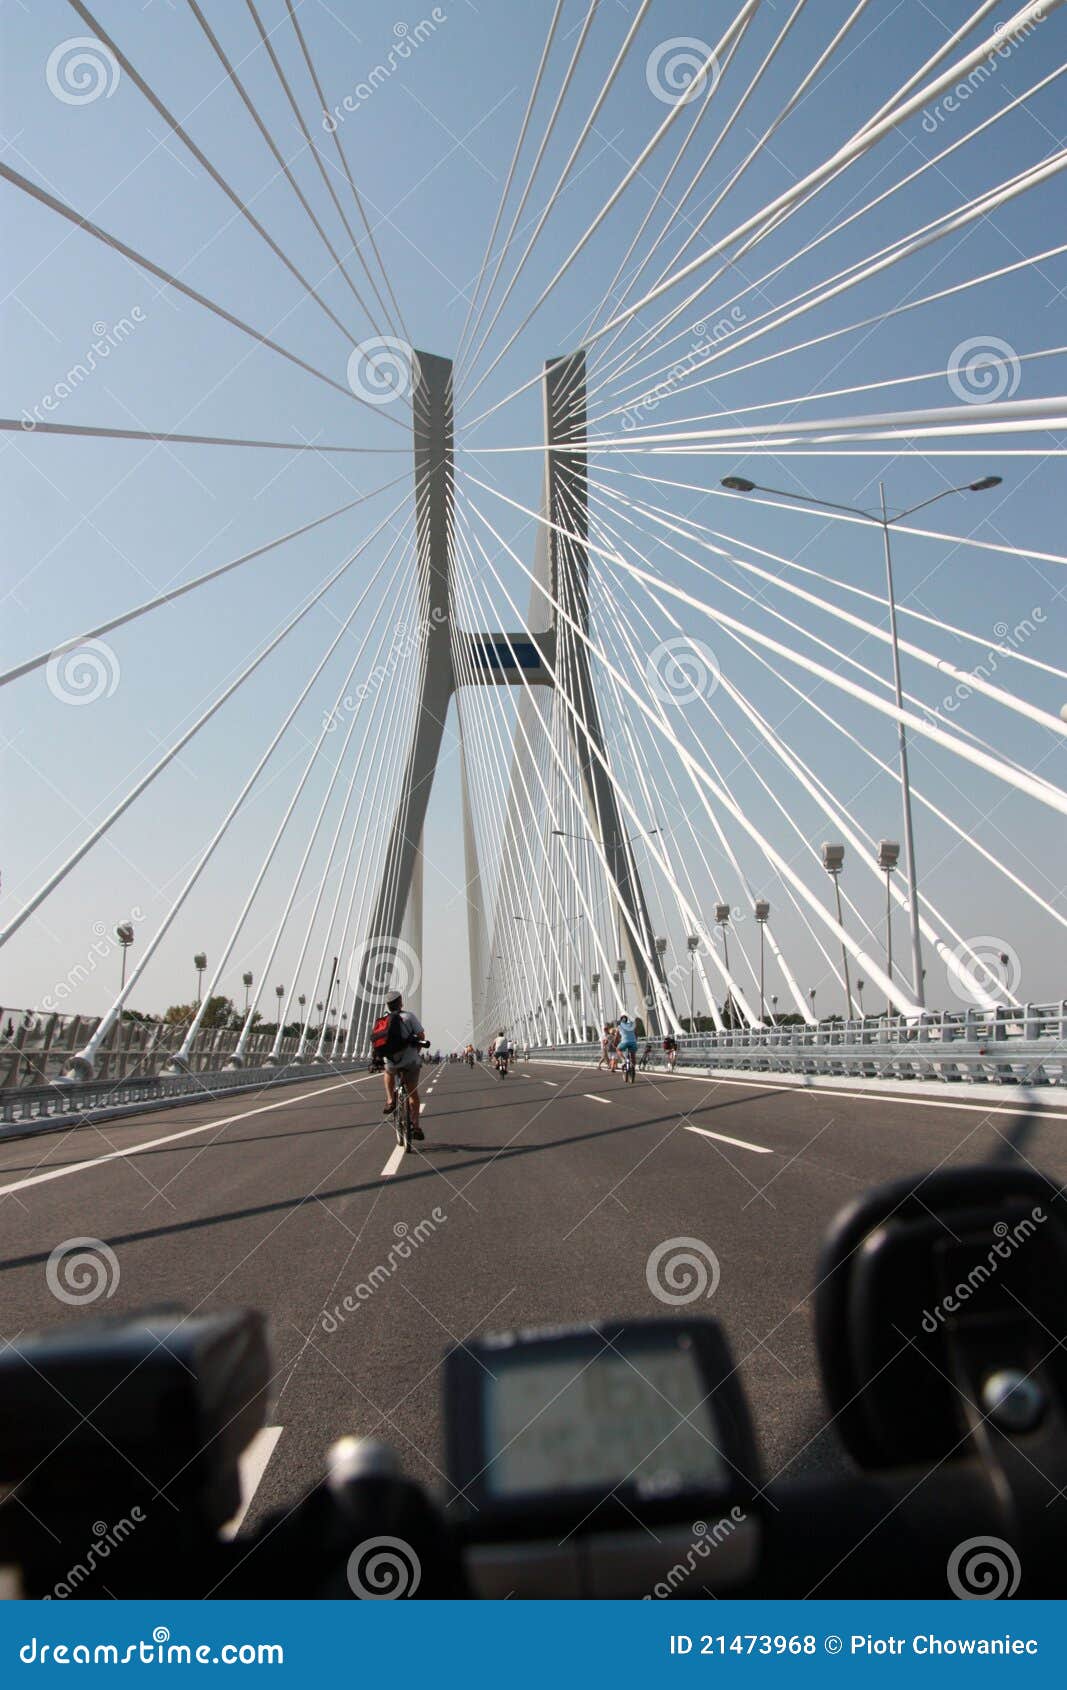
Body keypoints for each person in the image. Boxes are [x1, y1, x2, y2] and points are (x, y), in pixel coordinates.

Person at [378, 991, 426, 1139]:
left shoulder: (383, 1020)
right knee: (413, 1094)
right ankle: (416, 1126)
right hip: (410, 1061)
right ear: (400, 1003)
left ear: (387, 1005)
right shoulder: (409, 1016)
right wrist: (415, 1051)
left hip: (392, 1062)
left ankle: (390, 1100)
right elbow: (421, 1036)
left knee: (388, 1072)